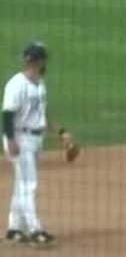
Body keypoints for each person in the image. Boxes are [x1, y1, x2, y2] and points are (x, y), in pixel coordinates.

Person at [4, 43, 76, 247]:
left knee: (22, 184)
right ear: (40, 61)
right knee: (29, 185)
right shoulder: (16, 84)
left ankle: (14, 229)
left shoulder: (40, 84)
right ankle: (35, 230)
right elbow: (7, 114)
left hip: (35, 139)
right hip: (20, 138)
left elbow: (41, 115)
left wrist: (61, 132)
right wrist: (11, 140)